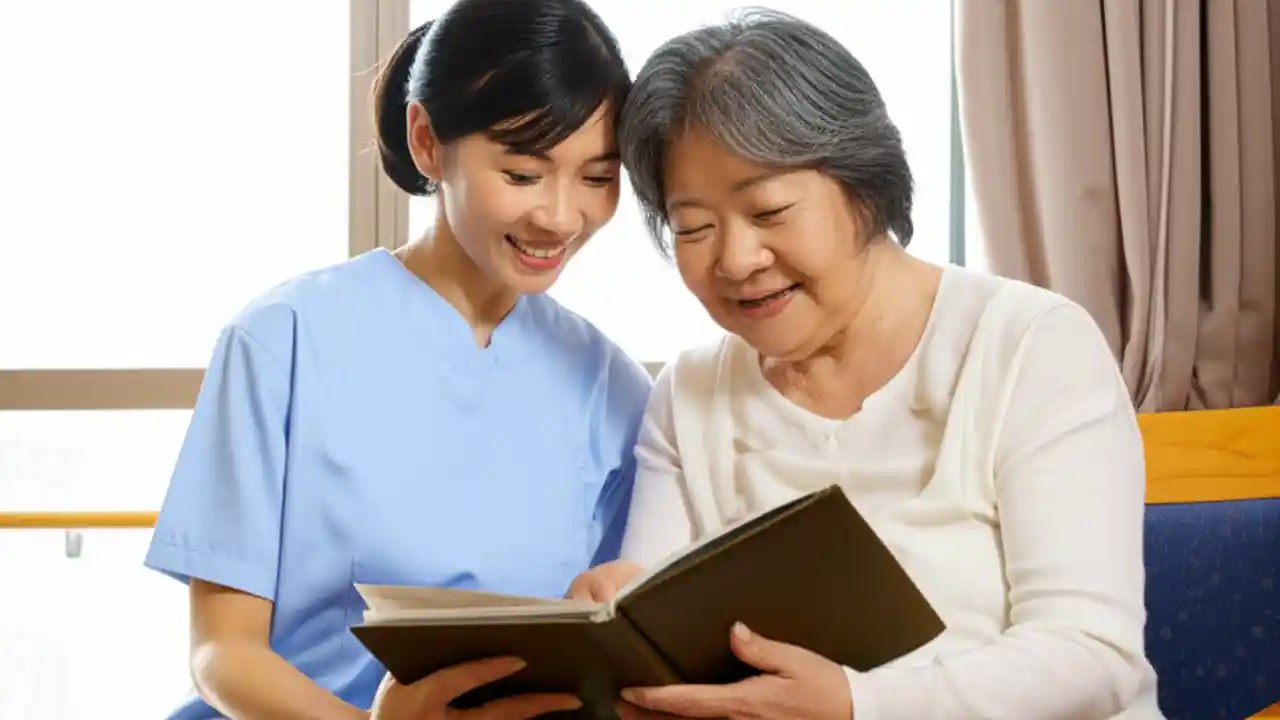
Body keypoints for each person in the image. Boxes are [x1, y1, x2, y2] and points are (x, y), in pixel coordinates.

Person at [569, 9, 1165, 720]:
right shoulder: (692, 392)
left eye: (769, 211)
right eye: (693, 228)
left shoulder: (1031, 346)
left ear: (865, 184)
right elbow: (661, 646)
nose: (734, 260)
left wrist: (860, 705)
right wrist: (621, 634)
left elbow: (1090, 656)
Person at [143, 1, 651, 717]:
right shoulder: (283, 341)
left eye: (597, 178)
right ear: (427, 142)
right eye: (523, 174)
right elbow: (223, 653)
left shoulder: (611, 387)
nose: (561, 217)